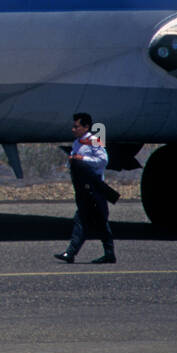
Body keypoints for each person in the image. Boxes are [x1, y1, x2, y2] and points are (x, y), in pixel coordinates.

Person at [54, 112, 116, 263]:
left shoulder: (94, 141)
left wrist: (84, 159)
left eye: (76, 126)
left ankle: (74, 253)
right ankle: (73, 253)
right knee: (84, 219)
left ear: (86, 127)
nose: (73, 129)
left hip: (94, 188)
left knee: (93, 220)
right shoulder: (77, 143)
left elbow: (103, 160)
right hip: (82, 188)